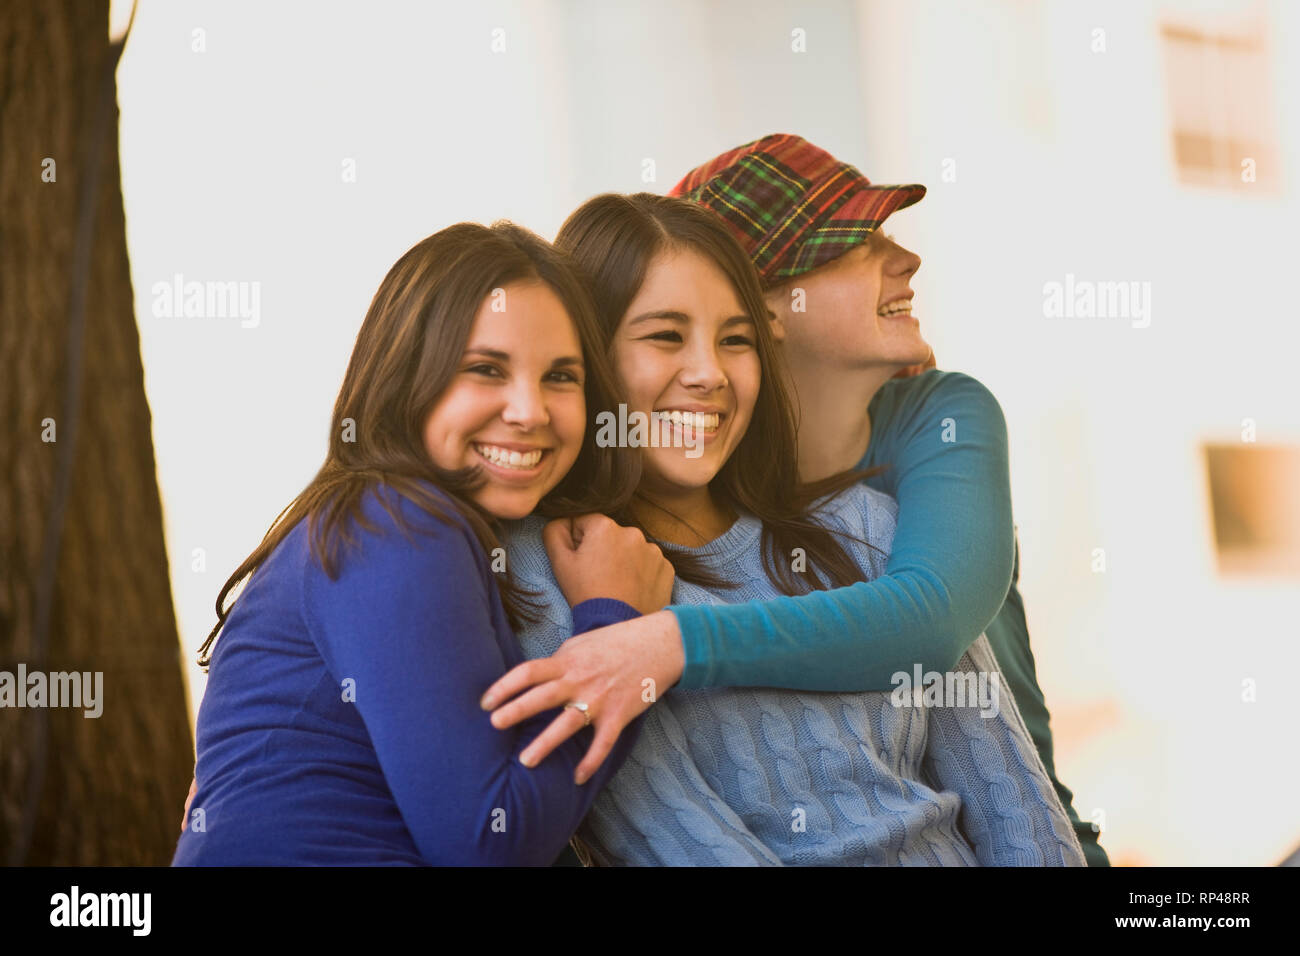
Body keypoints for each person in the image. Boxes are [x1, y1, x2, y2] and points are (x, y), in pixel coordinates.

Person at [482, 135, 1108, 866]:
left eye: (734, 339)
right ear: (588, 359)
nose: (708, 373)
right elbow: (676, 841)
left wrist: (673, 644)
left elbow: (1018, 810)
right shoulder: (557, 576)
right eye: (665, 336)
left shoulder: (873, 522)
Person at [173, 221, 673, 865]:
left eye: (561, 377)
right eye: (486, 369)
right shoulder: (396, 523)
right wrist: (617, 632)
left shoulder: (390, 521)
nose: (530, 411)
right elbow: (488, 843)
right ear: (408, 377)